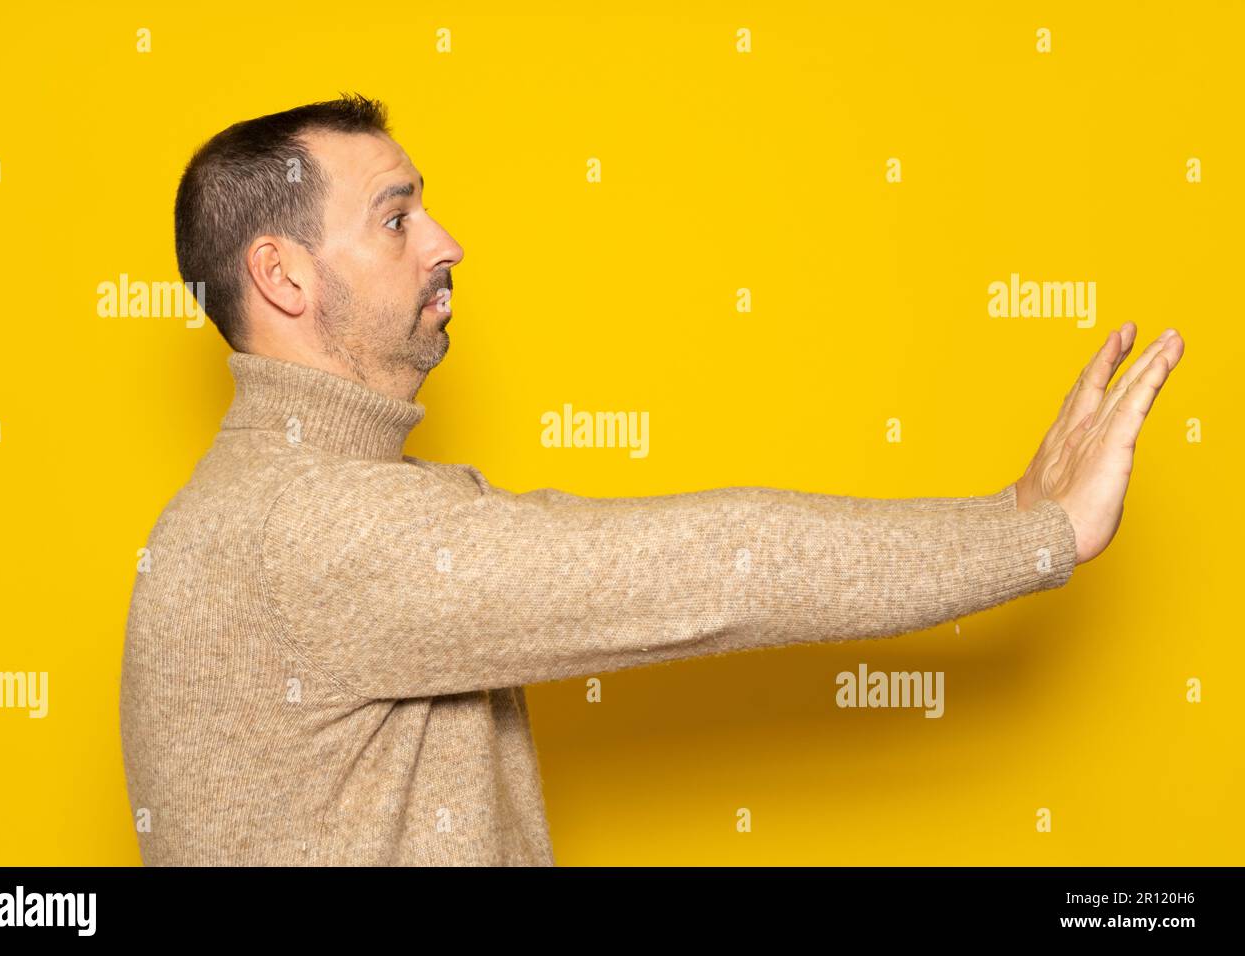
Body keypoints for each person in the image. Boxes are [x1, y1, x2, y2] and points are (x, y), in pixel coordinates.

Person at [119, 94, 1185, 866]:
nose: (447, 241)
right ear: (283, 275)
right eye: (397, 217)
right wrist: (1032, 532)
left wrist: (1013, 511)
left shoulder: (255, 506)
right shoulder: (313, 527)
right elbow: (712, 569)